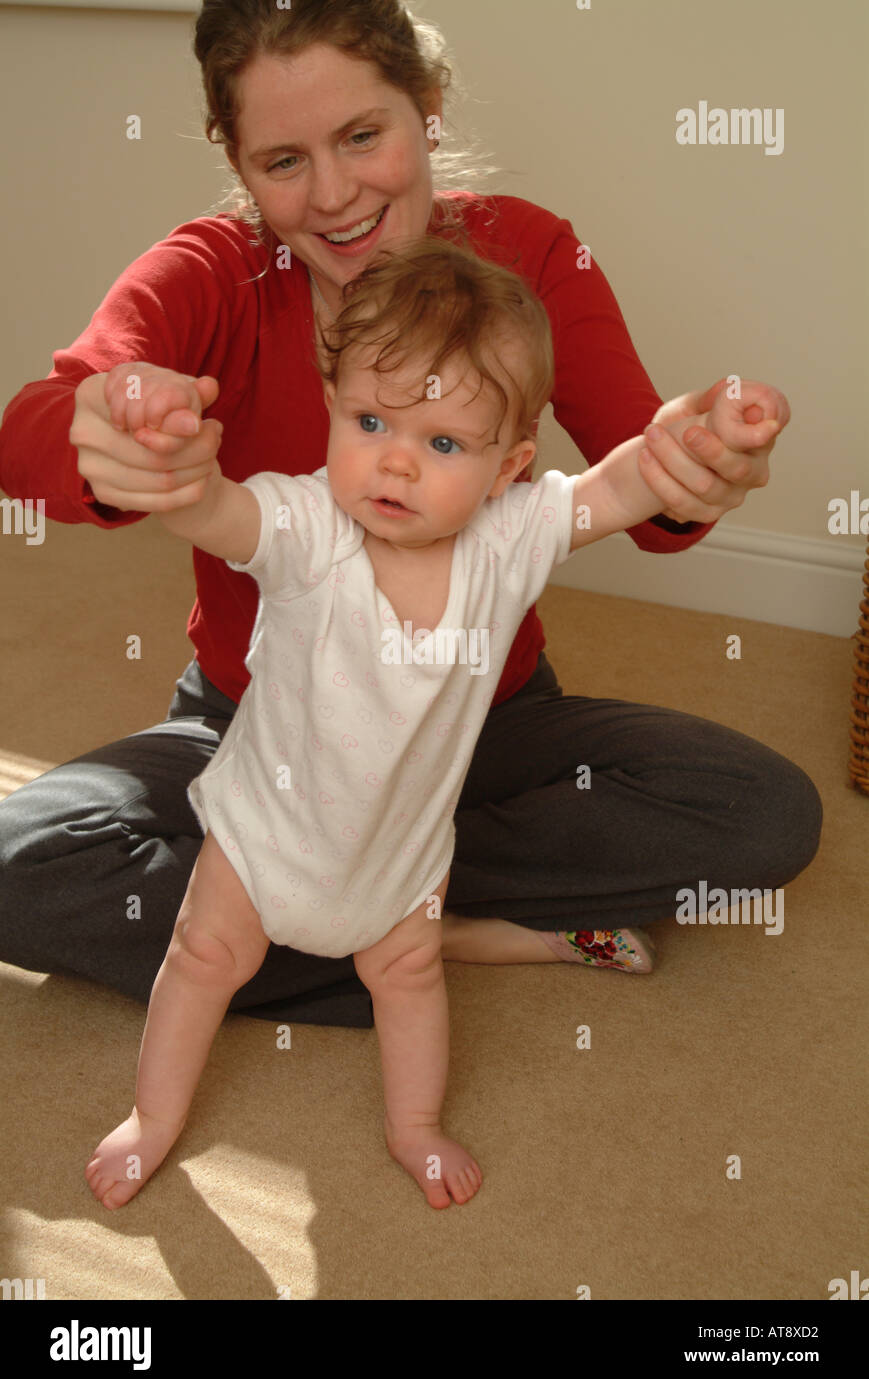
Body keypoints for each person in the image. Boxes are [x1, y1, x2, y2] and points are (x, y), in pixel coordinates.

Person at [0, 0, 821, 1029]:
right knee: (17, 864)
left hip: (480, 718)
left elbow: (648, 490)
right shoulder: (212, 270)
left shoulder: (525, 248)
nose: (334, 194)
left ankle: (329, 906)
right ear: (237, 161)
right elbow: (28, 436)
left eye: (361, 136)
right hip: (254, 736)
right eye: (282, 160)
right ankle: (423, 931)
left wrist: (700, 451)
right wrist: (101, 422)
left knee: (762, 814)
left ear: (424, 109)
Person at [85, 237, 783, 1210]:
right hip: (261, 839)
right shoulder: (306, 530)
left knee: (407, 980)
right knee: (199, 959)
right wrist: (172, 457)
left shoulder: (508, 540)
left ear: (507, 466)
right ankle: (151, 1118)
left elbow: (619, 488)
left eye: (443, 443)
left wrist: (692, 440)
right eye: (369, 420)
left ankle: (412, 1126)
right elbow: (211, 510)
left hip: (403, 856)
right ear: (333, 407)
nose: (396, 461)